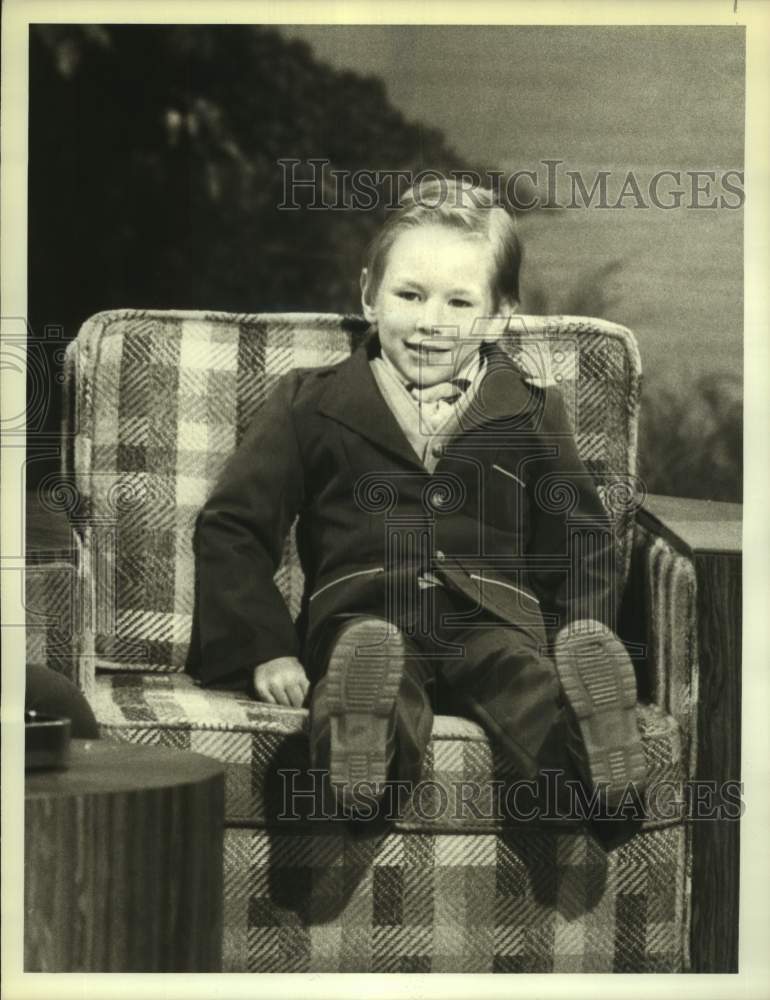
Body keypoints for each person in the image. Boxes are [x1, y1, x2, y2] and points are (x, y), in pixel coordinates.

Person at [186, 177, 647, 824]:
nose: (431, 322)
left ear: (498, 316)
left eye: (459, 303)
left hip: (494, 622)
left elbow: (581, 540)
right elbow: (233, 524)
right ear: (370, 294)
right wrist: (266, 646)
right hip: (364, 620)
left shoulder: (533, 412)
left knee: (529, 687)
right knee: (376, 685)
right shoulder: (310, 401)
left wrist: (578, 636)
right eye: (410, 294)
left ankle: (601, 759)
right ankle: (358, 759)